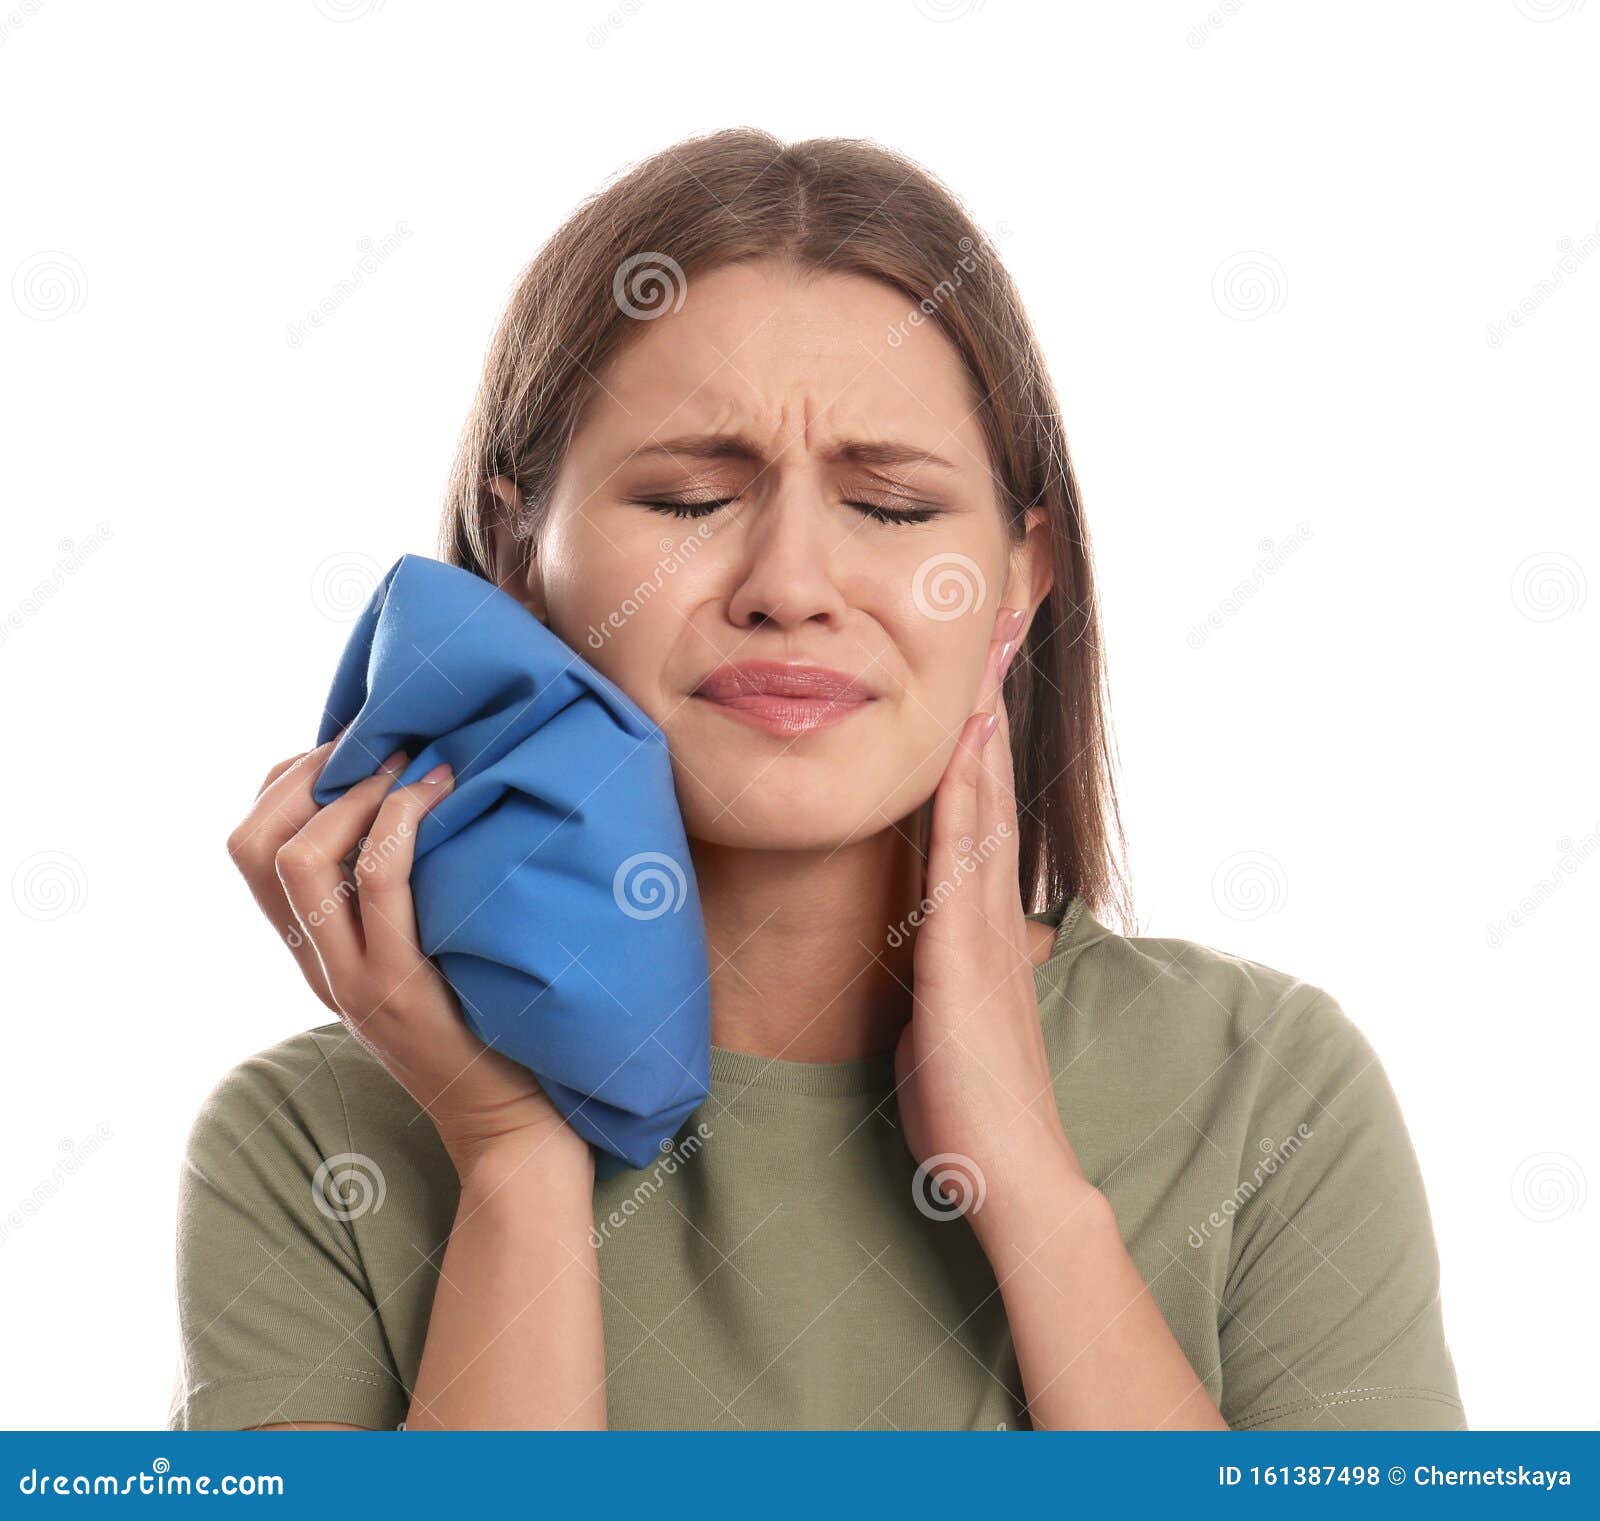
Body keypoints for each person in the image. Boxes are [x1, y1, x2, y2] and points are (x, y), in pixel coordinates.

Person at [169, 129, 1463, 1432]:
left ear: (1017, 584)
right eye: (688, 499)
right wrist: (513, 1161)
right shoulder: (309, 1144)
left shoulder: (1265, 1088)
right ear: (517, 558)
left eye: (891, 509)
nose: (789, 586)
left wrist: (1026, 1177)